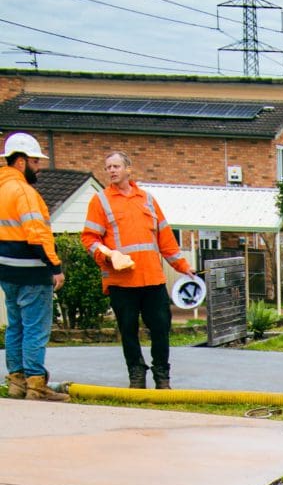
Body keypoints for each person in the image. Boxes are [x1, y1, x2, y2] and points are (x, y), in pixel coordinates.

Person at [81, 151, 194, 389]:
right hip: (122, 282)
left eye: (116, 166)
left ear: (128, 169)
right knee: (128, 331)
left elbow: (165, 239)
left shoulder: (148, 200)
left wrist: (183, 267)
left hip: (152, 279)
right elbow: (90, 239)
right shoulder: (100, 201)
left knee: (161, 328)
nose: (111, 171)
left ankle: (162, 375)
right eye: (108, 167)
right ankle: (136, 373)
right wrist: (108, 256)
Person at [0, 130, 69, 401]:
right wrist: (55, 267)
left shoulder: (2, 188)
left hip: (6, 270)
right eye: (35, 162)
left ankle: (16, 381)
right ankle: (36, 383)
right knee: (35, 328)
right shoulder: (24, 192)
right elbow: (37, 235)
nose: (39, 168)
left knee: (16, 325)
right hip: (30, 271)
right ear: (21, 162)